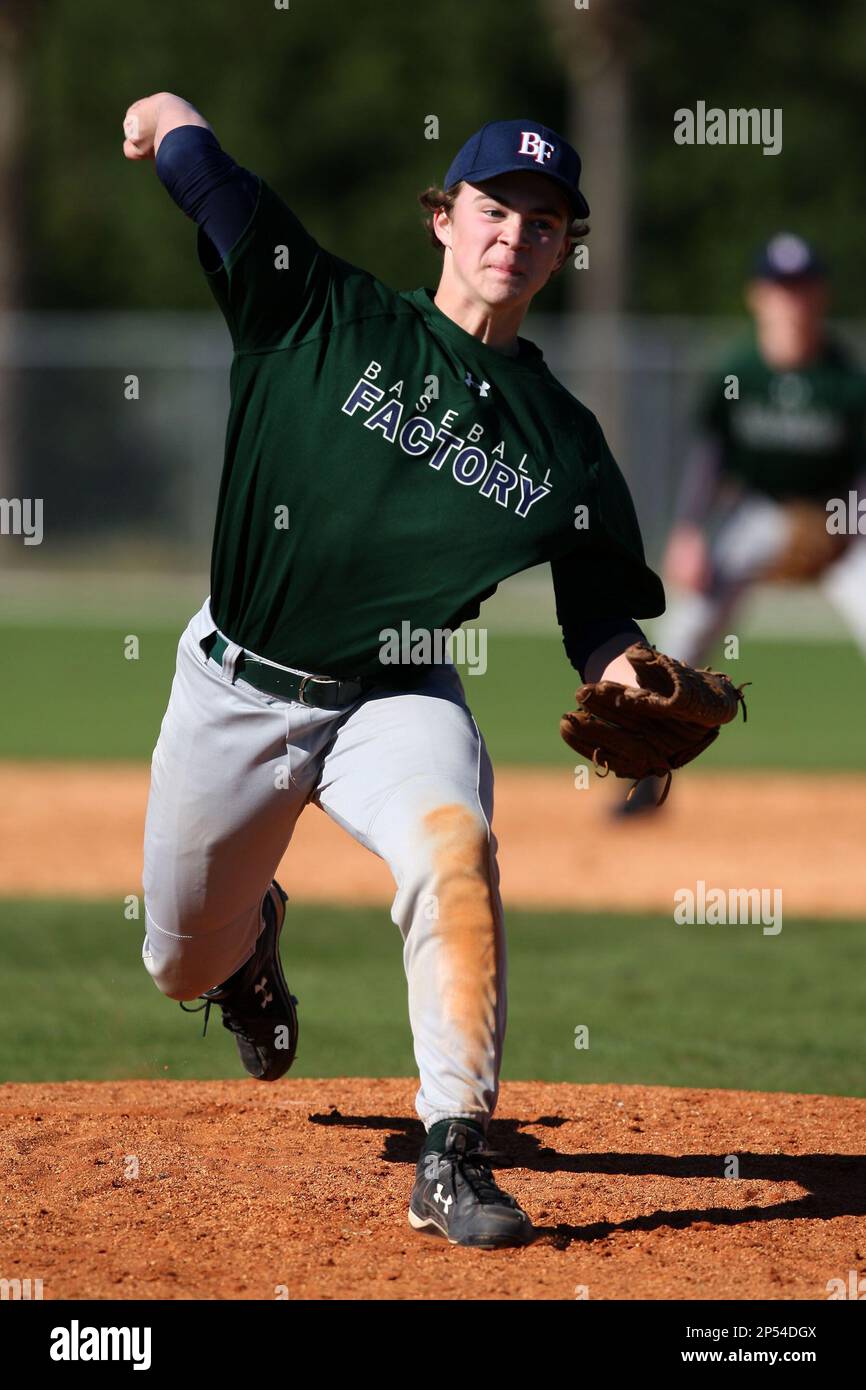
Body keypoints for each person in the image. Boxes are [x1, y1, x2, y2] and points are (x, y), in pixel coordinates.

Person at [123, 94, 665, 1249]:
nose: (514, 232)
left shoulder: (562, 440)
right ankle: (245, 957)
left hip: (395, 691)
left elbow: (594, 612)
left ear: (567, 249)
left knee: (454, 848)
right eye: (492, 207)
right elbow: (223, 196)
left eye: (544, 219)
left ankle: (451, 1153)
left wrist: (626, 672)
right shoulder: (319, 309)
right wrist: (172, 120)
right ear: (441, 219)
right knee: (177, 960)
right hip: (237, 683)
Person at [620, 233, 866, 816]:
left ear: (820, 296)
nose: (791, 301)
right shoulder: (738, 371)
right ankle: (648, 775)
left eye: (802, 288)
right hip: (755, 514)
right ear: (758, 296)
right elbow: (710, 460)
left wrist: (850, 524)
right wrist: (688, 533)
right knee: (684, 636)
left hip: (839, 518)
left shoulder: (846, 379)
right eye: (780, 288)